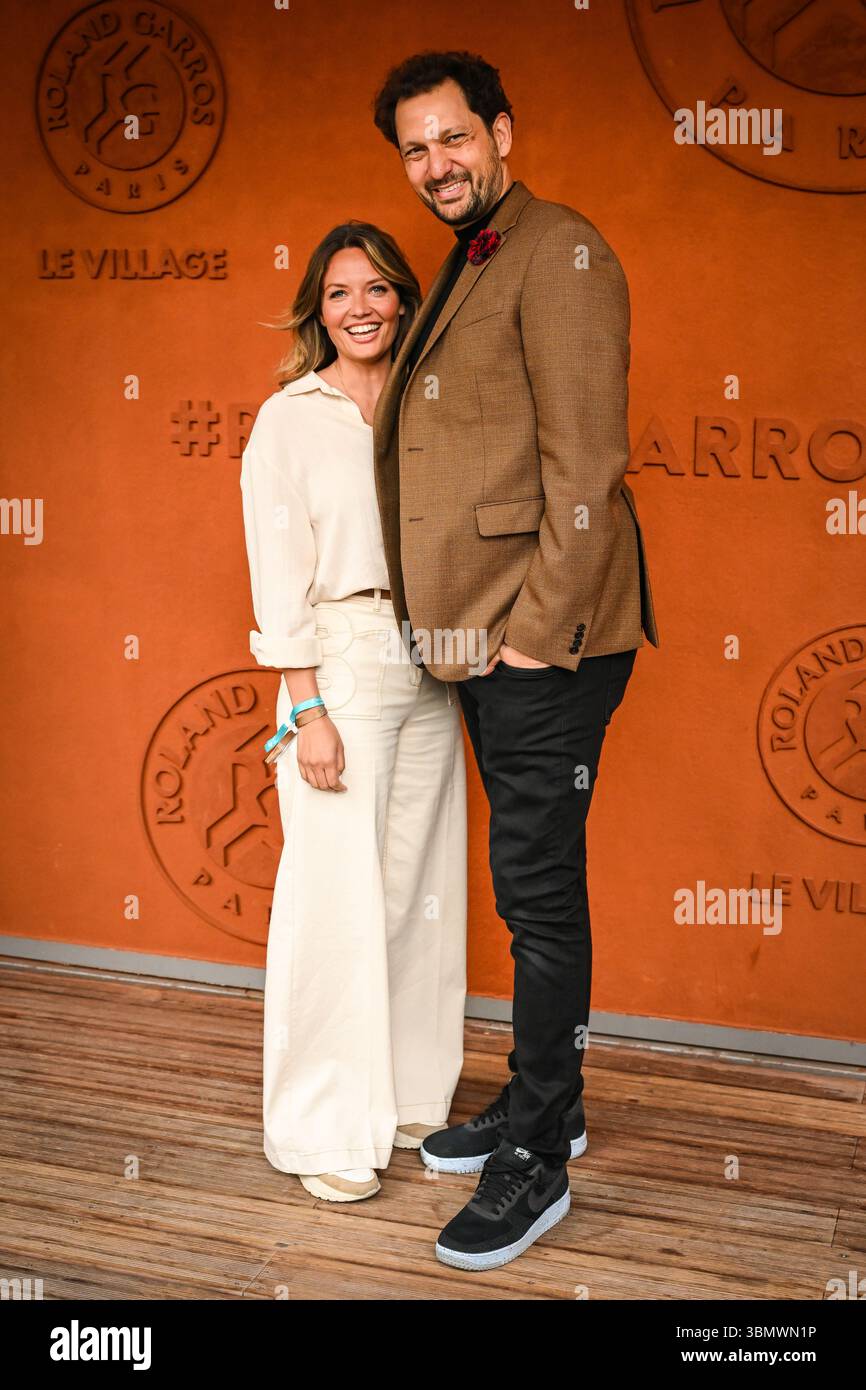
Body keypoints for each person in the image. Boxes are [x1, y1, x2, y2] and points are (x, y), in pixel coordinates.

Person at [370, 51, 660, 1269]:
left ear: (500, 128)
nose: (435, 165)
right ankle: (550, 1094)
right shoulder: (480, 251)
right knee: (524, 886)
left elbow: (585, 470)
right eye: (413, 150)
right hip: (483, 635)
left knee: (536, 899)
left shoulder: (563, 249)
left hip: (546, 635)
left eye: (451, 139)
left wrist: (538, 634)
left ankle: (534, 1153)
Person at [239, 221, 468, 1204]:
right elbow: (276, 577)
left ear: (403, 300)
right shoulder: (288, 417)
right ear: (316, 310)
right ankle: (323, 1123)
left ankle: (411, 1094)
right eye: (339, 293)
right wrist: (306, 711)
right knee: (334, 894)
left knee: (420, 879)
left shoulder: (432, 402)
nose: (360, 308)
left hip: (433, 661)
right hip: (340, 658)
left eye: (376, 289)